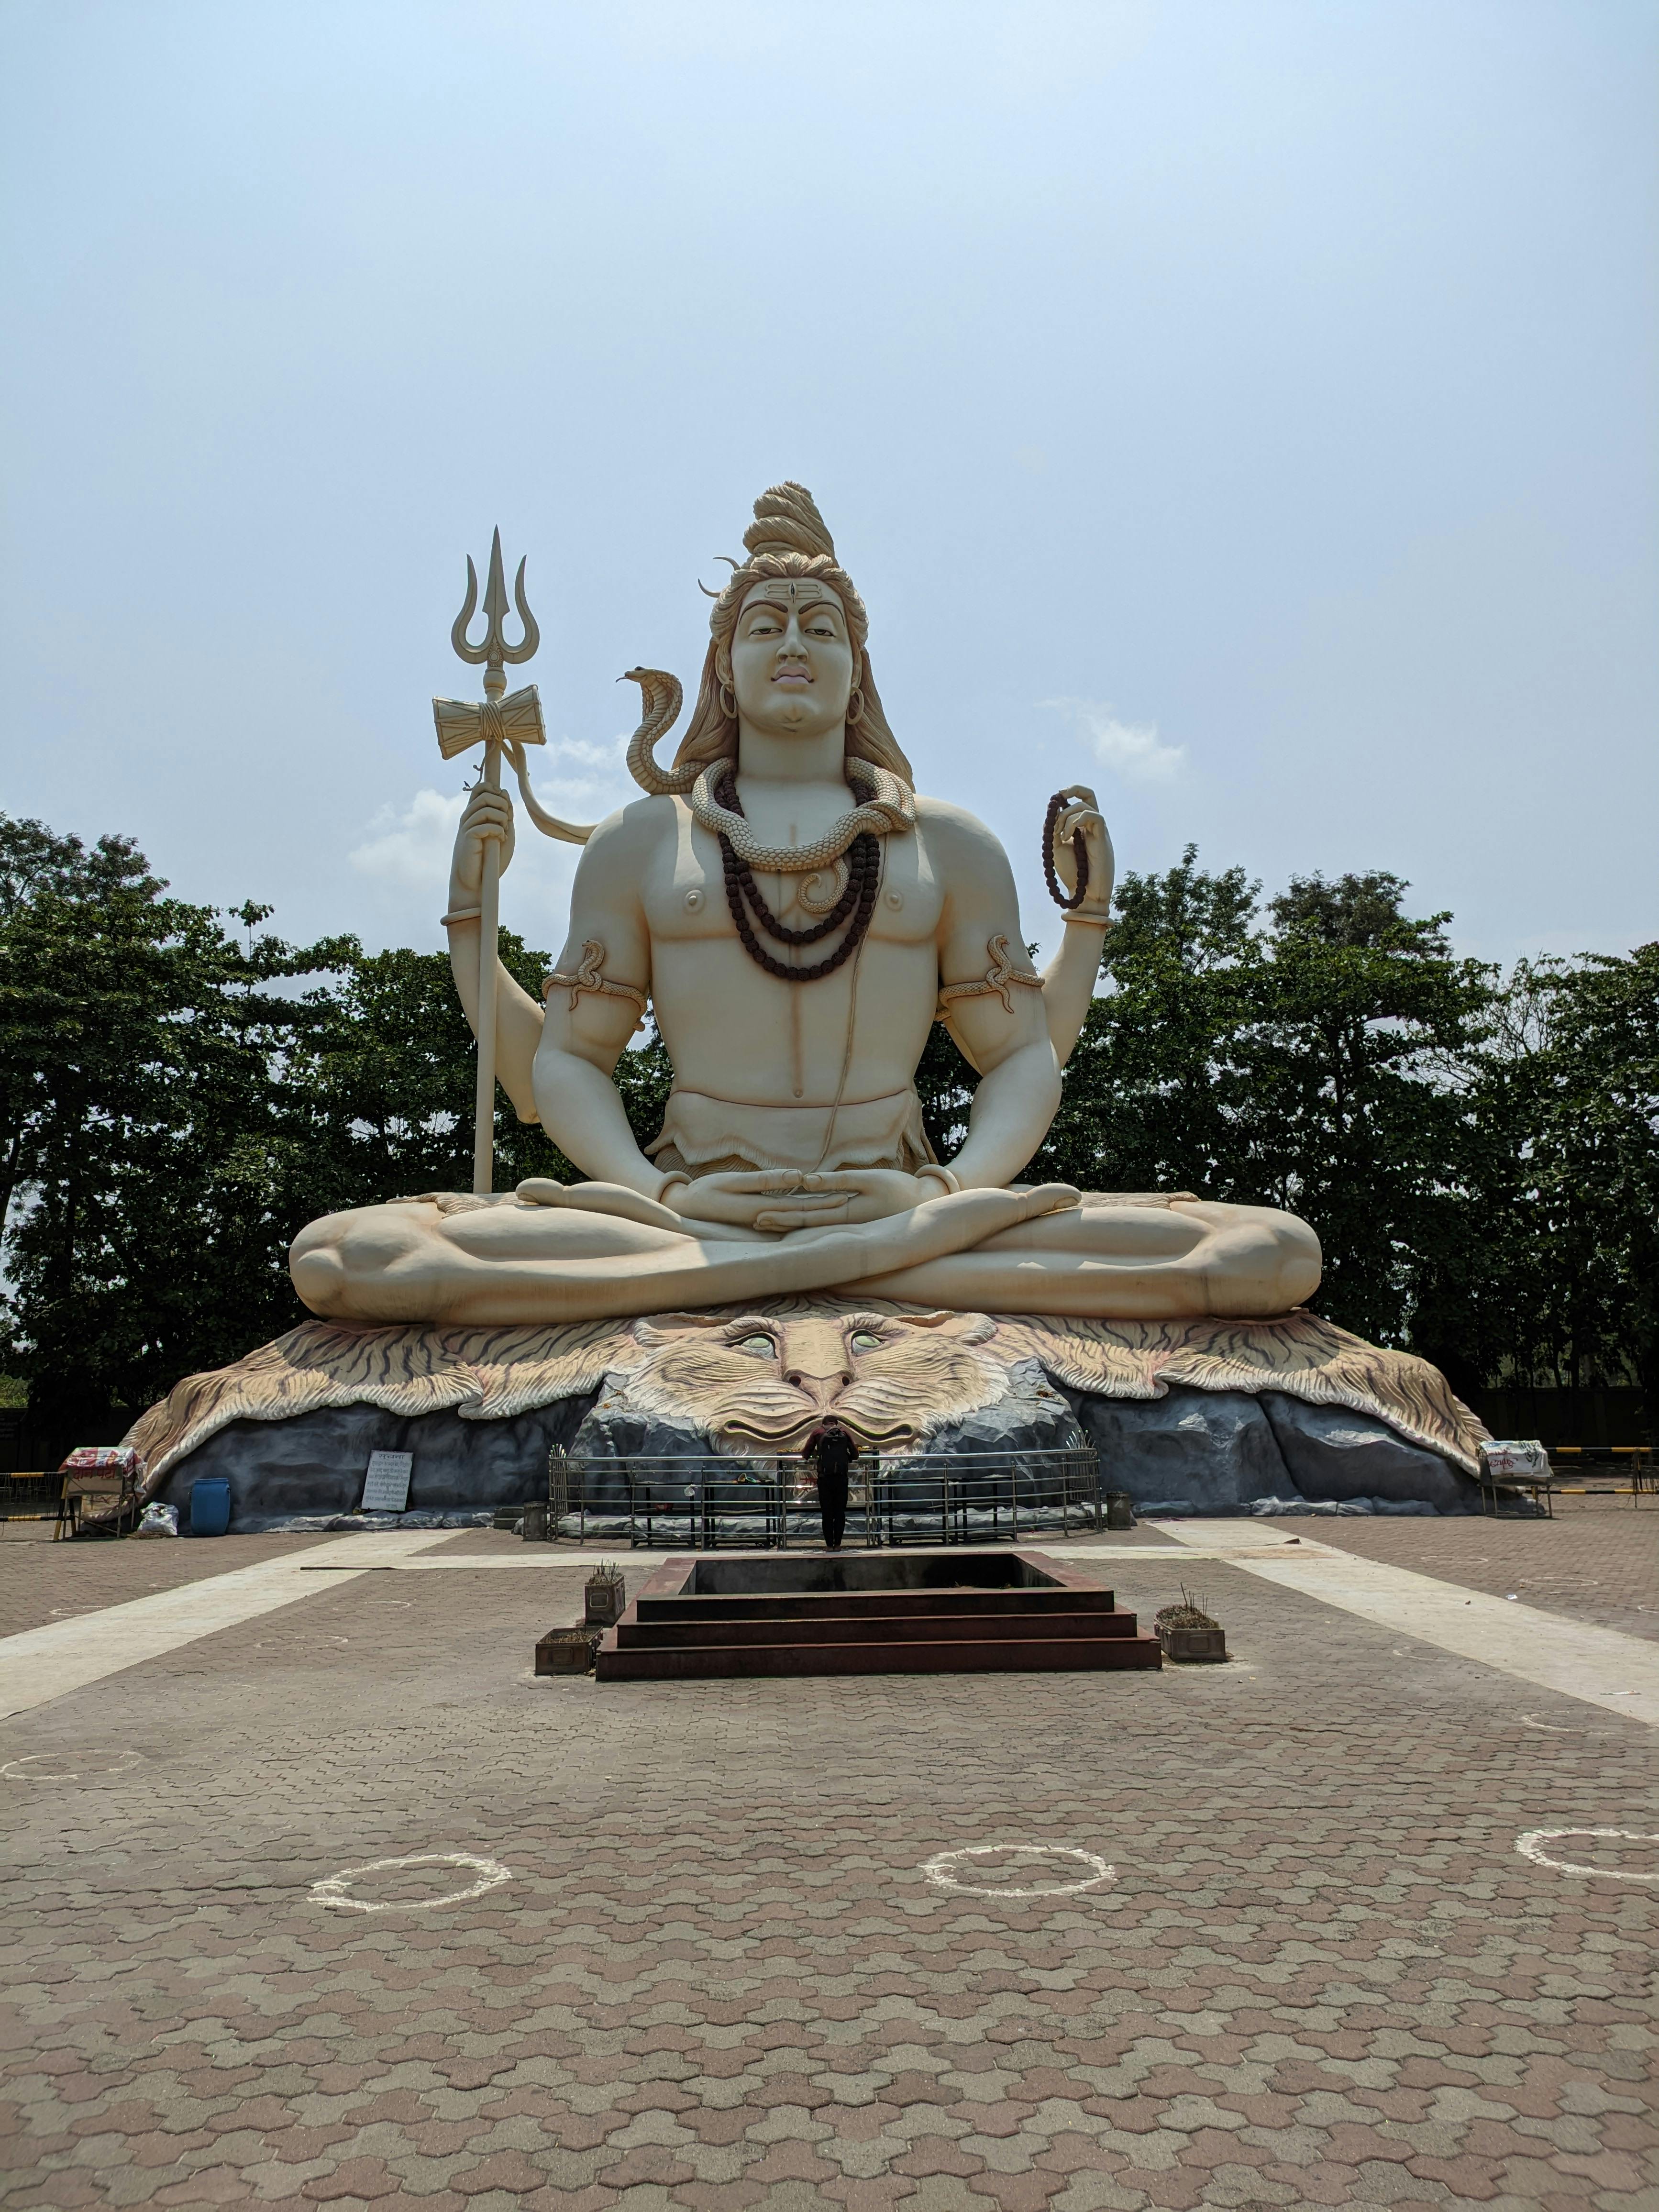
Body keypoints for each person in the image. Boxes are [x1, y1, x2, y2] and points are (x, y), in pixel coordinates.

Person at [291, 482, 1321, 1327]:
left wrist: (953, 1190)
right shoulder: (643, 841)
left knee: (1272, 1252)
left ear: (856, 668)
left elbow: (1018, 1055)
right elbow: (564, 1061)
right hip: (688, 1207)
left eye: (821, 626)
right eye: (767, 624)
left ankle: (828, 1261)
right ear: (725, 670)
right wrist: (651, 1193)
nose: (795, 641)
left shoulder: (946, 843)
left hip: (905, 1194)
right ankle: (850, 1267)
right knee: (346, 1258)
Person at [800, 1417, 859, 1551]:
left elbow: (806, 1453)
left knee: (827, 1513)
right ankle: (838, 1545)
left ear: (824, 1424)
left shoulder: (818, 1432)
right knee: (840, 1512)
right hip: (841, 1478)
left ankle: (828, 1546)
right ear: (836, 1424)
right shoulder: (844, 1433)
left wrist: (816, 1454)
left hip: (825, 1478)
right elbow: (856, 1455)